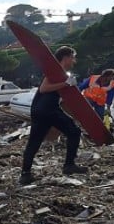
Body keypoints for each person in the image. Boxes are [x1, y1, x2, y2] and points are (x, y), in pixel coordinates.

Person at [20, 45, 87, 186]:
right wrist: (65, 84)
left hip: (40, 110)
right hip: (48, 109)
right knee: (74, 132)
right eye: (73, 58)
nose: (74, 61)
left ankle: (25, 175)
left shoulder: (58, 72)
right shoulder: (55, 70)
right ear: (66, 57)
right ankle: (69, 165)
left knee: (34, 141)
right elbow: (44, 88)